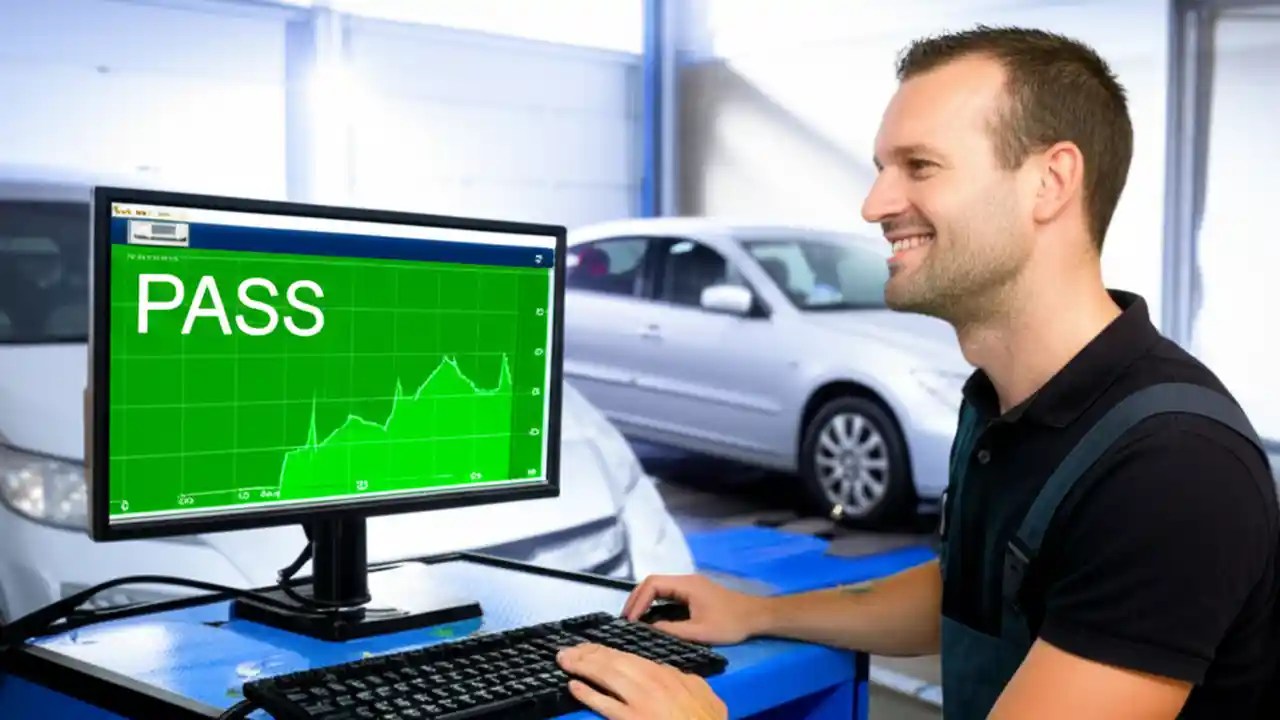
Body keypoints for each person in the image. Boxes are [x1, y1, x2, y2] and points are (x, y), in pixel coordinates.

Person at [554, 24, 1280, 720]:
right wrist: (757, 611)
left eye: (920, 166)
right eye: (880, 170)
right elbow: (968, 590)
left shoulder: (1171, 467)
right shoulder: (998, 403)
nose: (875, 205)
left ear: (1051, 181)